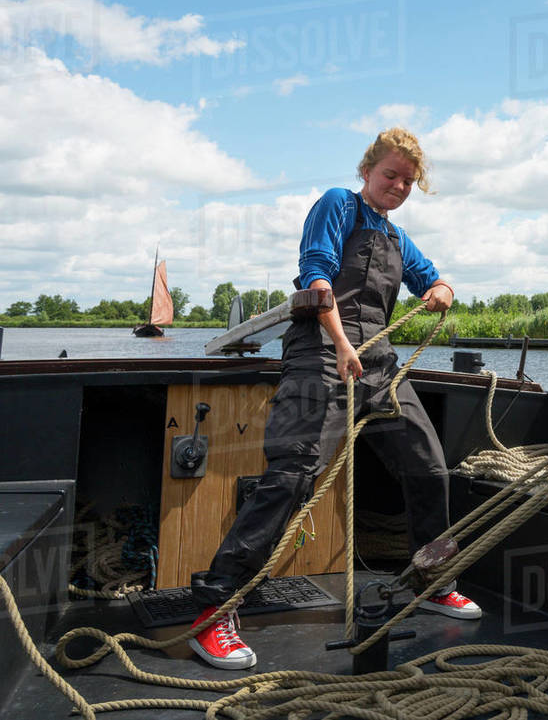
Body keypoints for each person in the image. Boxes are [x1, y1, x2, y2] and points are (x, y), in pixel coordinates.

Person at [188, 127, 480, 670]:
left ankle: (434, 581)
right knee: (291, 476)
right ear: (367, 170)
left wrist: (442, 289)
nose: (397, 186)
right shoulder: (336, 206)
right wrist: (344, 346)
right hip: (319, 354)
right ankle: (214, 611)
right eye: (390, 175)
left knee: (428, 468)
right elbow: (317, 279)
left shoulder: (395, 237)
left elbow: (431, 280)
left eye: (408, 181)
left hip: (380, 363)